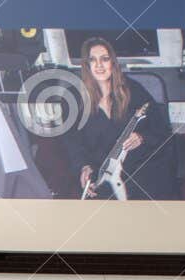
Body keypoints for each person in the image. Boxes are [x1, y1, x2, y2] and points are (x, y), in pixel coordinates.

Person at [72, 37, 174, 200]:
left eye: (105, 59)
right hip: (103, 171)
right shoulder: (76, 98)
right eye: (93, 60)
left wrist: (142, 137)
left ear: (113, 62)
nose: (99, 65)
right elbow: (73, 142)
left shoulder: (134, 90)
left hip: (140, 168)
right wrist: (83, 167)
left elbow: (162, 130)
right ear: (86, 65)